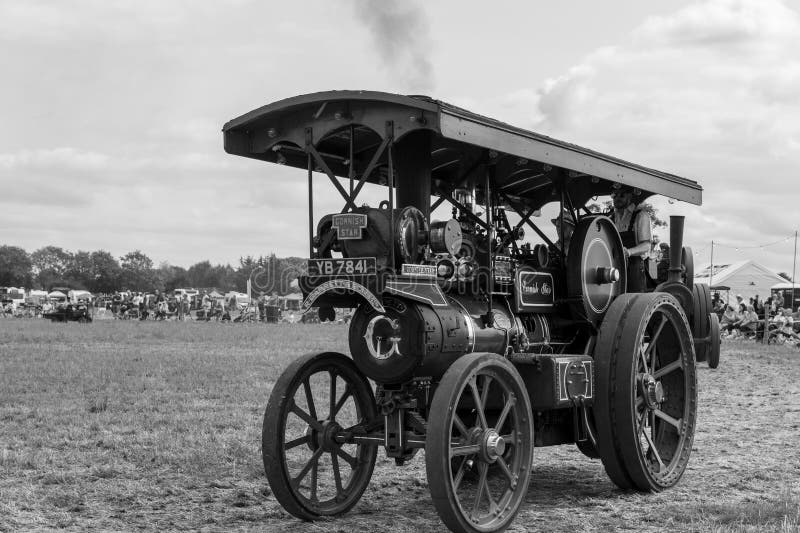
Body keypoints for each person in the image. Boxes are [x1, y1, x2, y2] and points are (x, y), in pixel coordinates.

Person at [611, 186, 652, 292]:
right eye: (614, 195)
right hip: (614, 266)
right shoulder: (610, 218)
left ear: (630, 196)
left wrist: (628, 252)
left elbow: (646, 246)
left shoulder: (641, 216)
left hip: (635, 268)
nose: (617, 198)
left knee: (634, 302)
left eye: (621, 195)